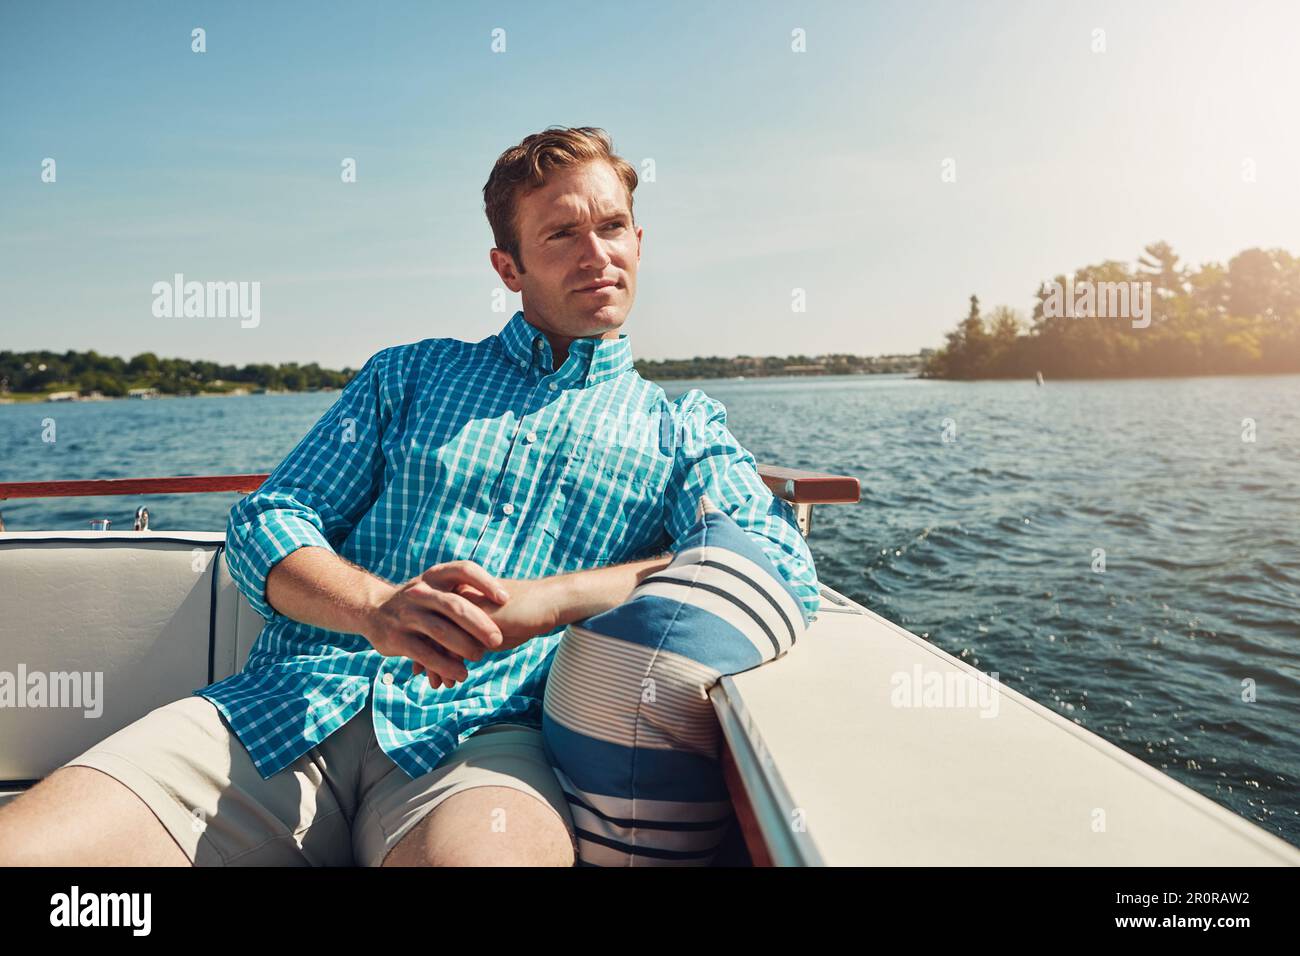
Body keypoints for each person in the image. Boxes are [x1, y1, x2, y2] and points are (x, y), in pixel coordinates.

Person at [0, 126, 820, 866]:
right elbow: (267, 522)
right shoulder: (409, 374)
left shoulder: (681, 430)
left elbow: (768, 557)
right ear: (509, 267)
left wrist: (554, 599)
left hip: (484, 745)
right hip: (281, 711)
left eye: (611, 228)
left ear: (638, 240)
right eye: (561, 234)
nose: (595, 254)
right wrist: (376, 608)